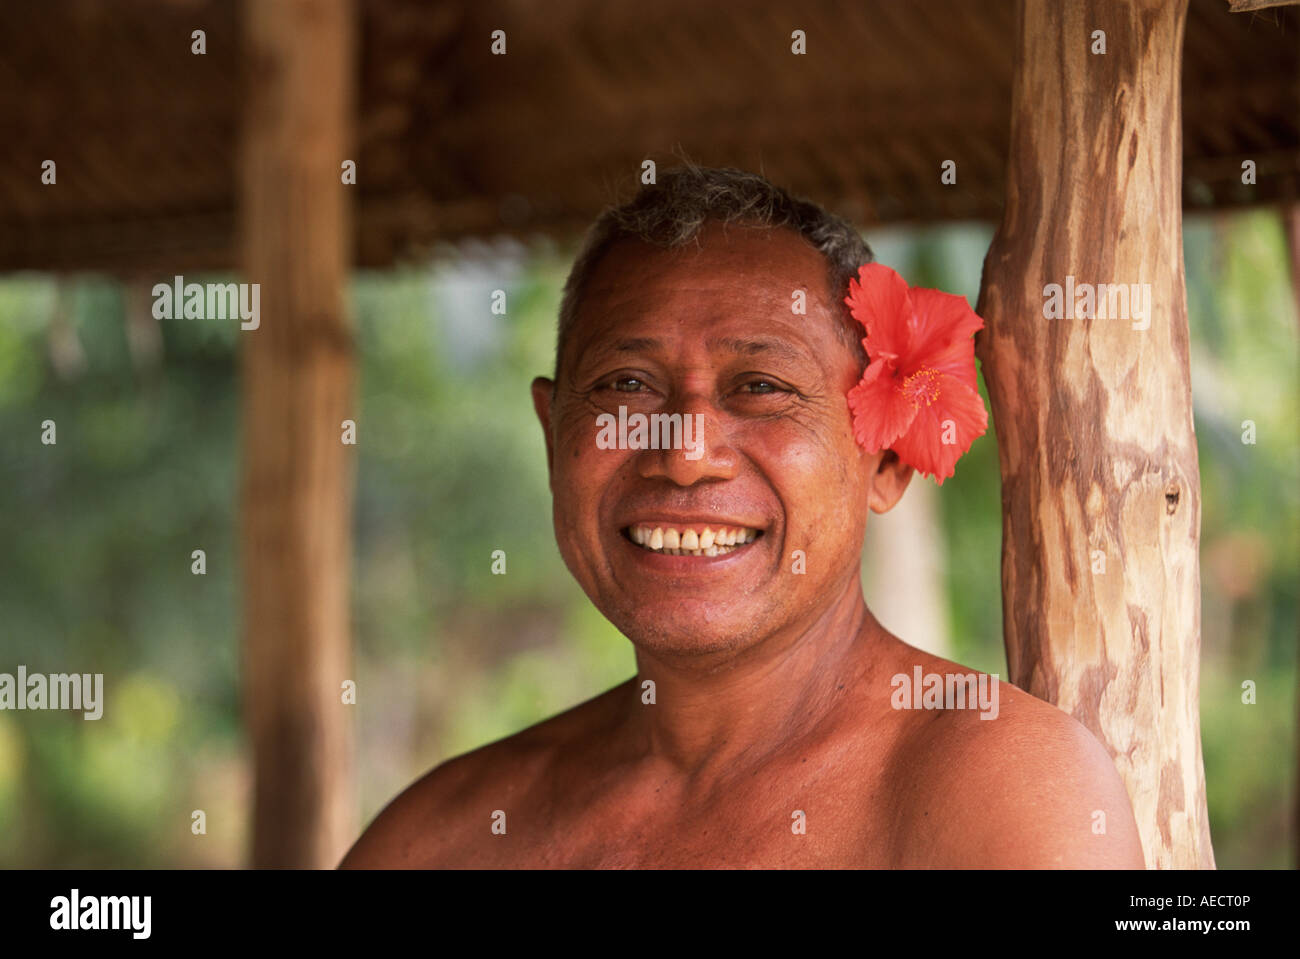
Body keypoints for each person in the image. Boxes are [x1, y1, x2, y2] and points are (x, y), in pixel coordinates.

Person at [341, 166, 1144, 868]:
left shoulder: (1006, 798)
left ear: (888, 457)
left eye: (760, 386)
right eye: (627, 384)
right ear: (554, 438)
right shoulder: (439, 840)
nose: (685, 452)